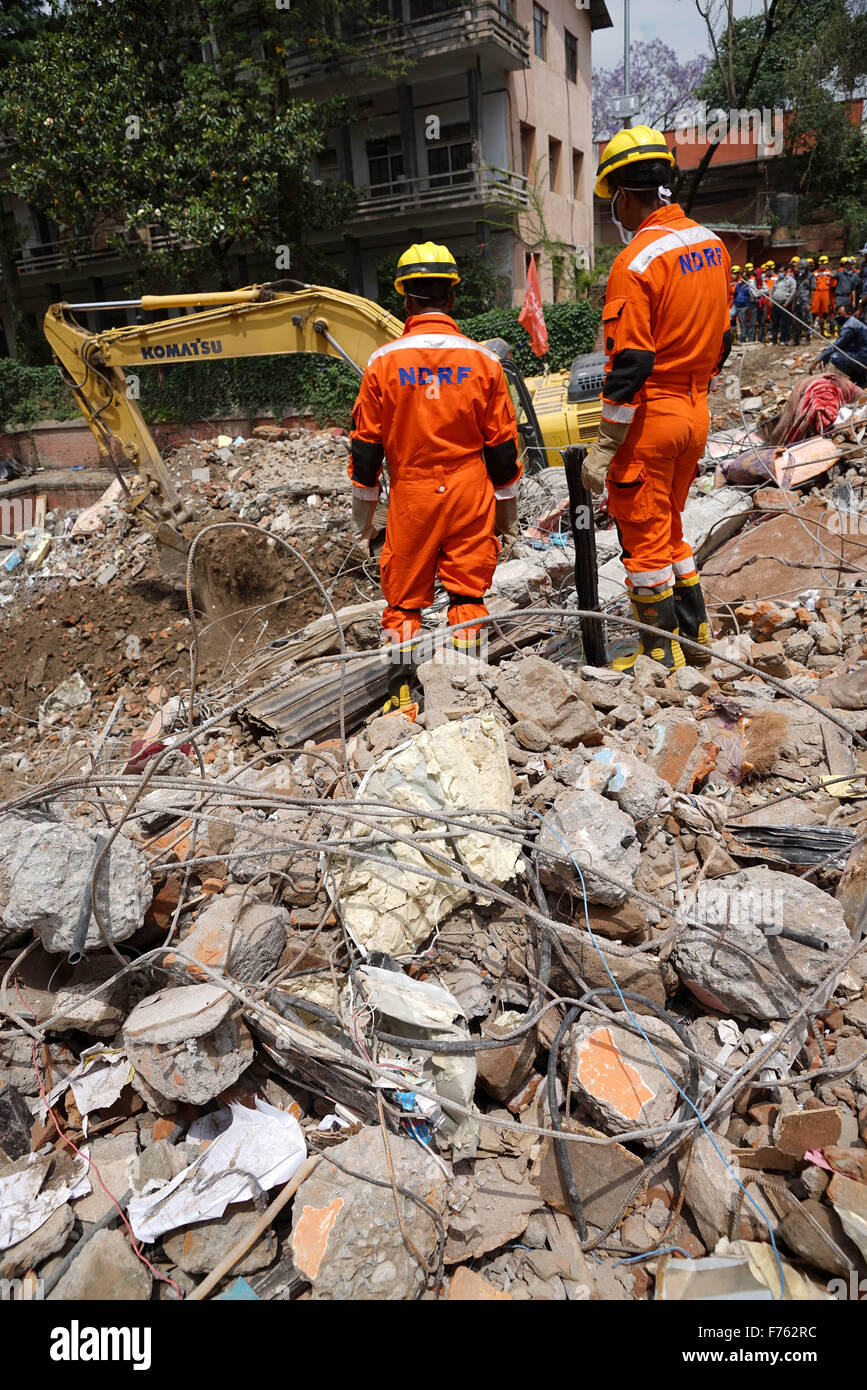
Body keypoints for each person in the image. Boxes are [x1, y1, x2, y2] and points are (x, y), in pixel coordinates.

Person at [582, 125, 731, 671]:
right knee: (670, 528)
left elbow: (632, 363)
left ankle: (659, 656)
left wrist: (604, 444)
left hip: (653, 418)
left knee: (643, 538)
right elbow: (725, 338)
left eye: (612, 200)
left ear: (624, 192)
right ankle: (698, 639)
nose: (613, 212)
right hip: (697, 411)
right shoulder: (711, 245)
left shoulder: (636, 262)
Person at [348, 240, 520, 658]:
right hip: (469, 490)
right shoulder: (484, 361)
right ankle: (468, 687)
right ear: (453, 295)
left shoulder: (382, 363)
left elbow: (366, 452)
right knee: (467, 597)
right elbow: (502, 448)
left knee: (403, 602)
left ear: (405, 298)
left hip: (412, 497)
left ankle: (402, 696)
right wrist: (507, 515)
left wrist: (363, 522)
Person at [814, 297, 867, 388]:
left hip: (864, 357)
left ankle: (860, 378)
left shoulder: (849, 327)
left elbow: (837, 346)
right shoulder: (852, 322)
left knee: (836, 357)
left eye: (840, 314)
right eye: (837, 314)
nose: (837, 317)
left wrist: (819, 359)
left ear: (848, 314)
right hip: (861, 354)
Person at [769, 263, 796, 343]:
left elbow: (793, 291)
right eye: (779, 272)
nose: (780, 273)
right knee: (774, 323)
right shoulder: (777, 280)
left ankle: (784, 339)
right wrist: (771, 301)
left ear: (786, 272)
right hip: (776, 304)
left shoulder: (791, 280)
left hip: (784, 304)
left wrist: (787, 302)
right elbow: (773, 291)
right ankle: (774, 339)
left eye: (781, 271)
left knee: (785, 323)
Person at [813, 255, 834, 337]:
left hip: (825, 292)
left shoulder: (829, 273)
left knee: (825, 312)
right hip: (816, 292)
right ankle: (810, 331)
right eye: (821, 264)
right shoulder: (815, 273)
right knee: (814, 311)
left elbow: (833, 284)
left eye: (824, 264)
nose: (823, 265)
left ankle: (824, 330)